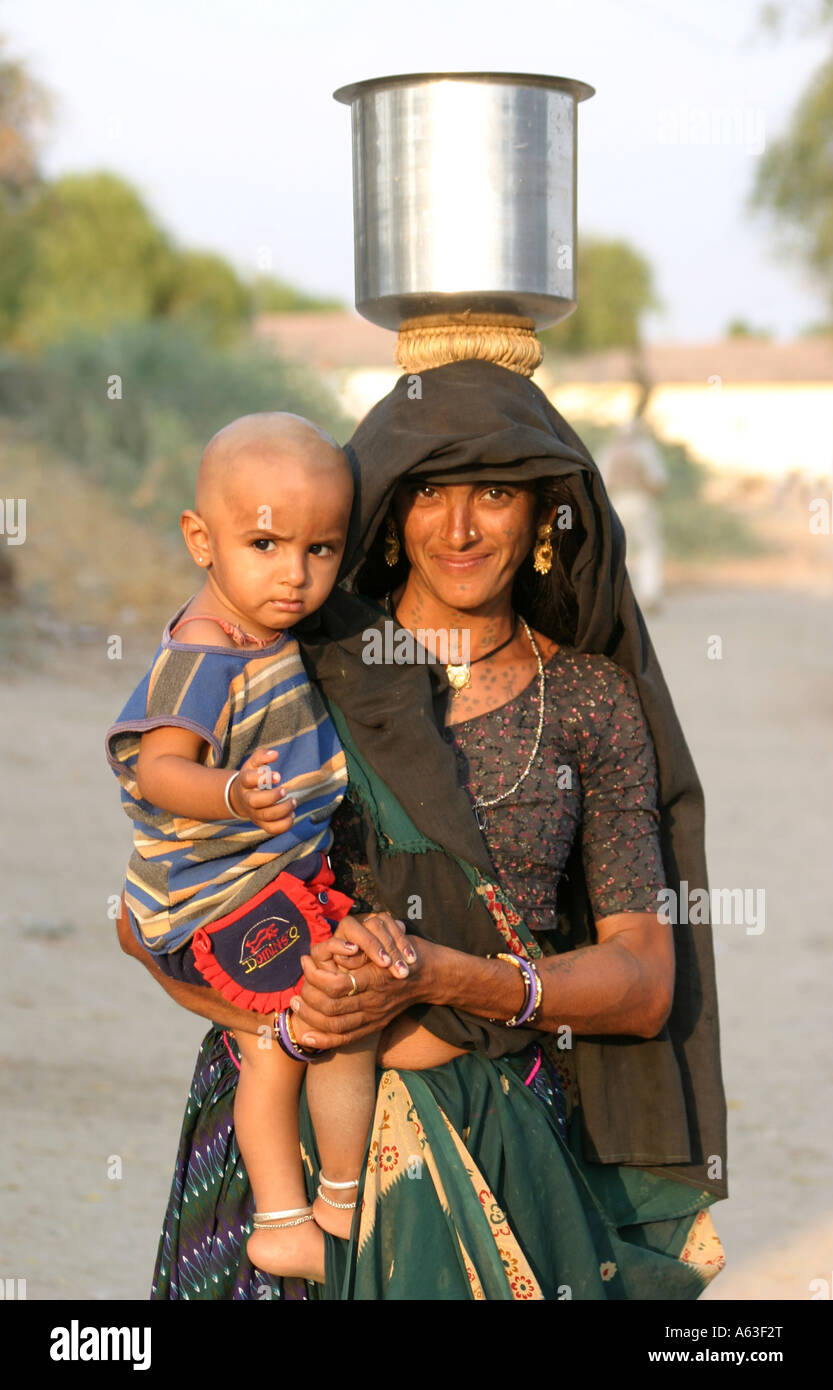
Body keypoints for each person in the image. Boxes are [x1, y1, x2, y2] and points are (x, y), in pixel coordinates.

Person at [118, 361, 727, 1300]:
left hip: (496, 1139)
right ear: (391, 514)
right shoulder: (297, 663)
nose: (459, 527)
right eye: (430, 491)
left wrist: (447, 980)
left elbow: (643, 984)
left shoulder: (588, 702)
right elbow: (153, 916)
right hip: (287, 1143)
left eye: (493, 492)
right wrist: (293, 1016)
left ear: (541, 517)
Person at [106, 411, 416, 1285]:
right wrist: (233, 791)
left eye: (321, 550)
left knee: (314, 1021)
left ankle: (323, 1208)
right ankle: (301, 1215)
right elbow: (163, 768)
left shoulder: (265, 632)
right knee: (305, 1030)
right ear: (201, 540)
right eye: (267, 543)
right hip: (217, 895)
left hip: (263, 881)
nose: (295, 575)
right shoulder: (205, 652)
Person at [597, 417, 668, 612]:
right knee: (649, 547)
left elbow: (602, 482)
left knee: (621, 548)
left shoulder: (609, 451)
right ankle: (649, 593)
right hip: (640, 500)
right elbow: (658, 481)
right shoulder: (645, 449)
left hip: (617, 502)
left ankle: (621, 596)